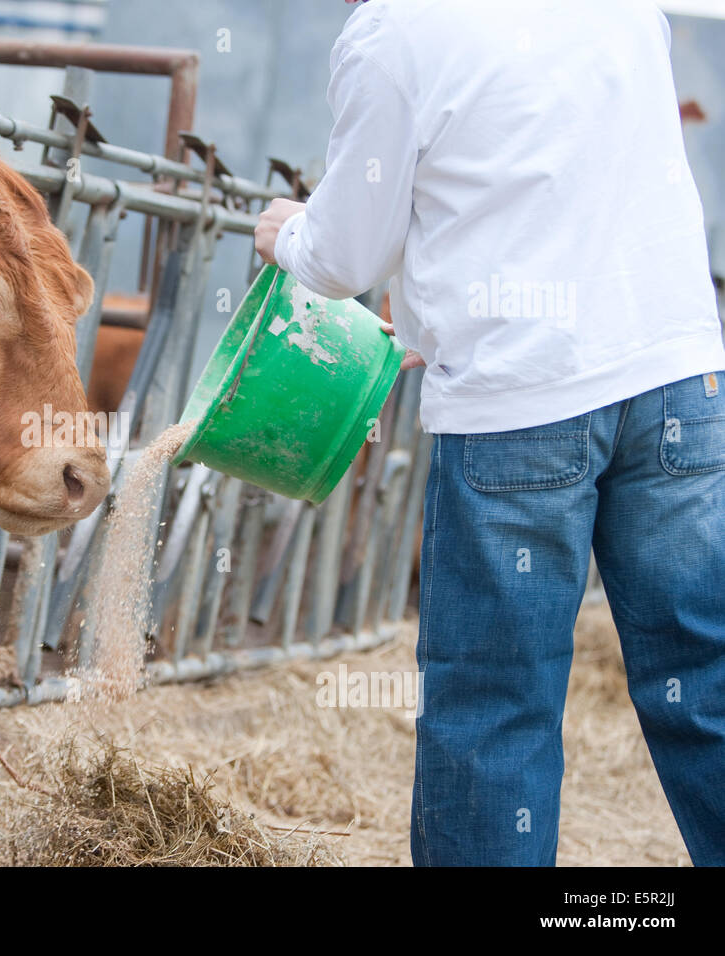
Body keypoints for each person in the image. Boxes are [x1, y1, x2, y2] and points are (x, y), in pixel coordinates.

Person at [255, 0, 725, 866]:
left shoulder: (397, 31)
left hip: (522, 407)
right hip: (676, 381)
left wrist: (286, 233)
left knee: (495, 710)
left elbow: (346, 258)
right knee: (707, 682)